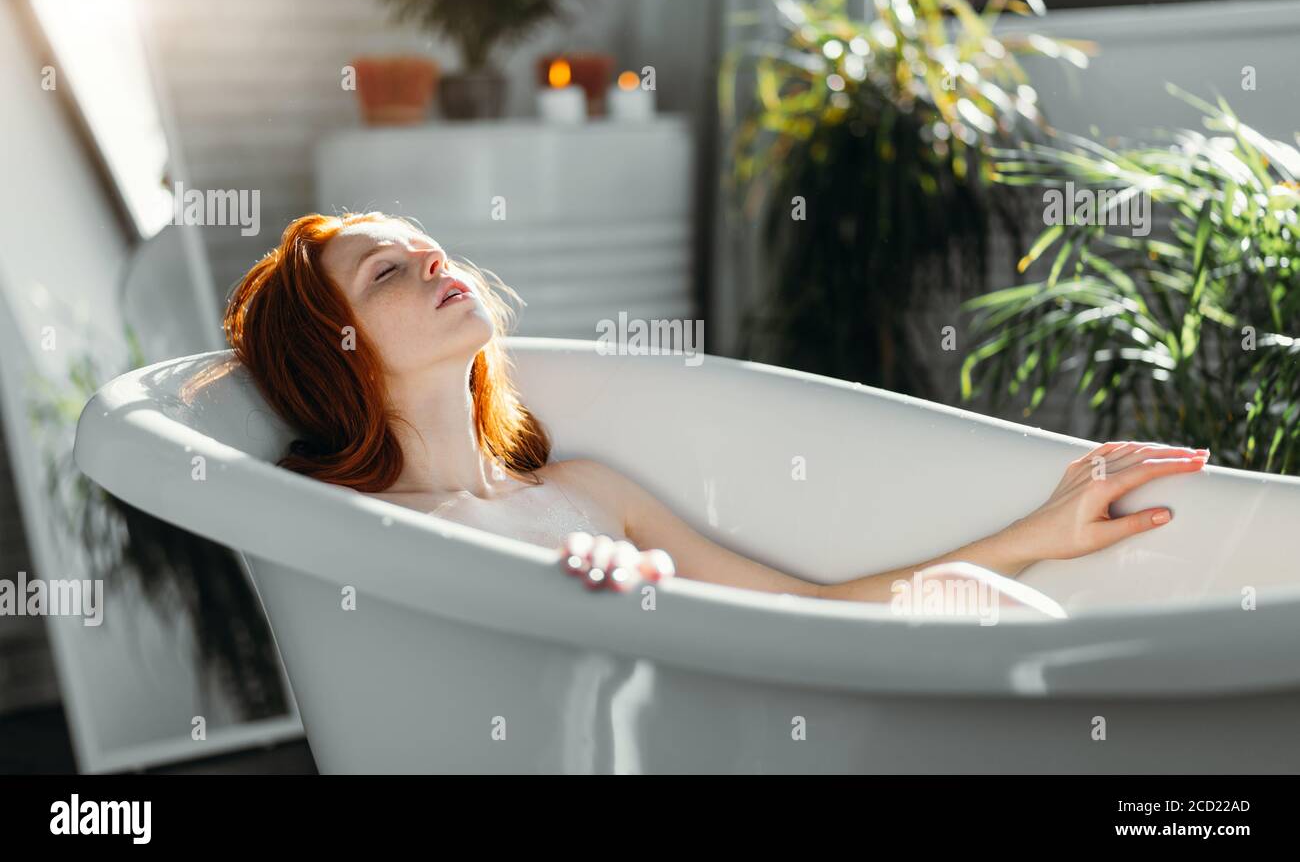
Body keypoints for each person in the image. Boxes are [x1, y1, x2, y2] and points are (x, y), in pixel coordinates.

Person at [223, 213, 1209, 611]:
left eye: (425, 243)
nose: (434, 258)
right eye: (387, 269)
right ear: (335, 353)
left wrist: (1040, 527)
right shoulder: (355, 529)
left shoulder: (586, 490)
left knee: (989, 618)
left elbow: (812, 615)